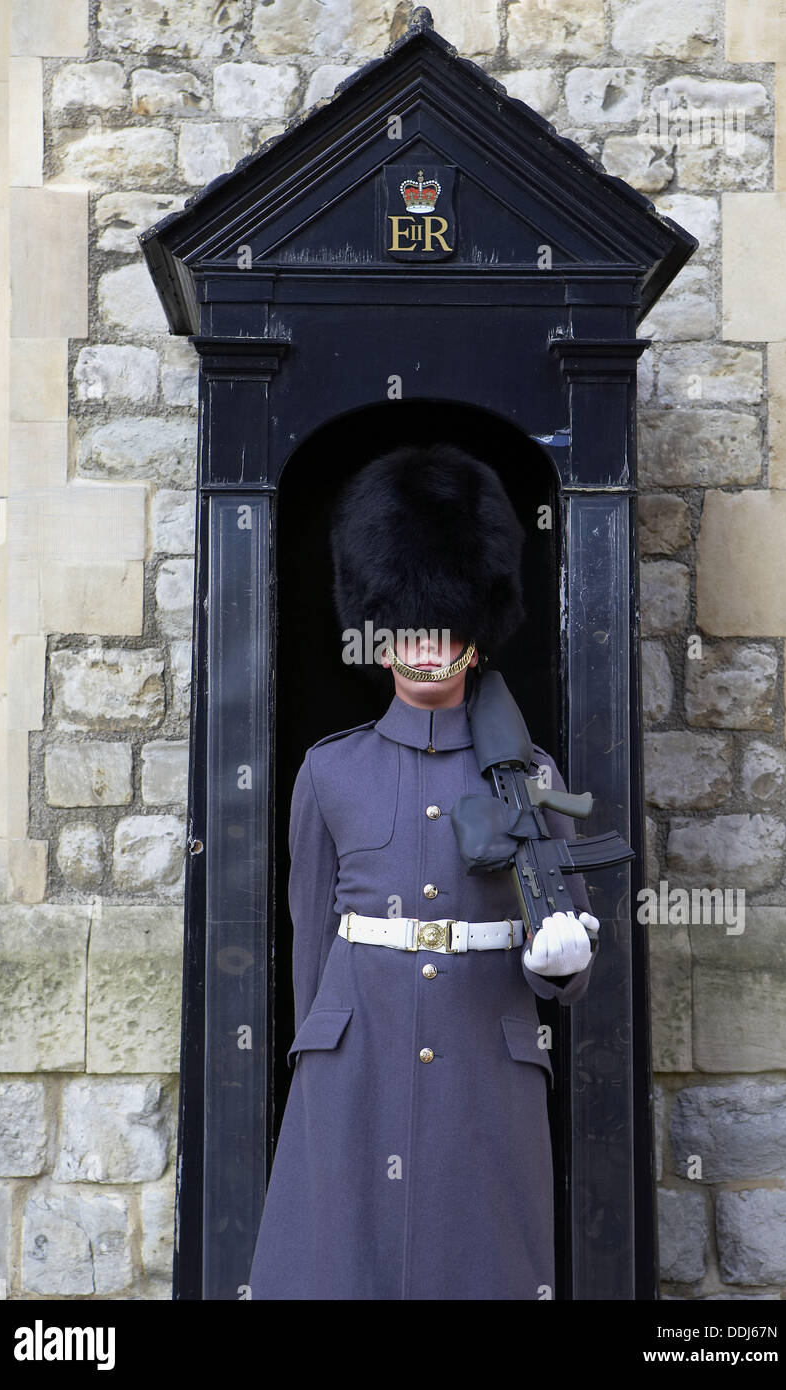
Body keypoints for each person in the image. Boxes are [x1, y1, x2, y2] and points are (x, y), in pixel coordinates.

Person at [247, 444, 599, 1300]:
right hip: (358, 1059)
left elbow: (570, 949)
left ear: (475, 644)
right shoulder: (332, 770)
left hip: (484, 1057)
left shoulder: (531, 774)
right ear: (382, 641)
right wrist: (319, 1058)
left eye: (445, 632)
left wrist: (561, 964)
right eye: (411, 632)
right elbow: (311, 944)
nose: (429, 649)